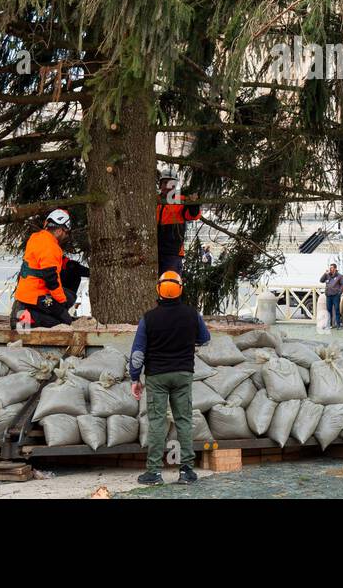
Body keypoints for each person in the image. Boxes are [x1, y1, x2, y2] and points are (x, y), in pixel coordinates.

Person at [129, 270, 211, 486]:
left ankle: (154, 473)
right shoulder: (192, 315)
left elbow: (138, 353)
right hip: (183, 374)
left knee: (157, 422)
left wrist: (134, 378)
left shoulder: (148, 318)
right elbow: (205, 338)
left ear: (159, 289)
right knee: (183, 420)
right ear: (180, 289)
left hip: (156, 376)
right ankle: (186, 471)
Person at [10, 209, 84, 329]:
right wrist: (62, 301)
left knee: (69, 297)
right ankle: (25, 319)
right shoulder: (50, 247)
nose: (66, 236)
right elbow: (51, 279)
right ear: (60, 230)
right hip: (38, 295)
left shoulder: (35, 238)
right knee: (64, 321)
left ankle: (30, 311)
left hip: (27, 291)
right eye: (66, 233)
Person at [156, 173, 202, 273]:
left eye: (171, 184)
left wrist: (194, 203)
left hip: (173, 253)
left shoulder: (181, 201)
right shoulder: (153, 200)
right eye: (165, 183)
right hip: (153, 251)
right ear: (160, 185)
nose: (168, 186)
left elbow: (192, 215)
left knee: (171, 284)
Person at [320, 263, 343, 328]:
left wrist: (339, 293)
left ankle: (338, 325)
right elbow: (321, 280)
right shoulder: (327, 275)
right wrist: (325, 273)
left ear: (335, 268)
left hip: (336, 295)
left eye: (331, 268)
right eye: (330, 267)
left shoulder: (340, 276)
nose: (330, 269)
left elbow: (342, 285)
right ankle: (330, 324)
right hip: (328, 295)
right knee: (329, 310)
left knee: (337, 309)